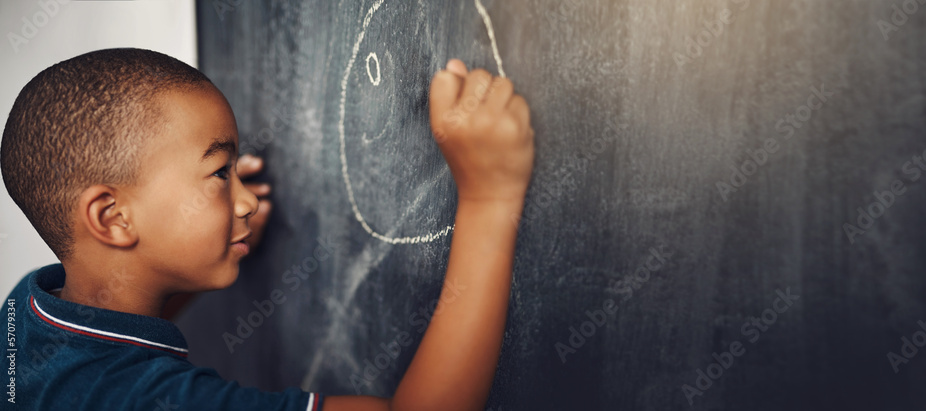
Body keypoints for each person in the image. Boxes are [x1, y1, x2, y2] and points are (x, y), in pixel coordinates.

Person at [0, 48, 534, 410]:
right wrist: (490, 197)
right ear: (112, 218)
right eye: (219, 173)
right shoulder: (155, 398)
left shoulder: (27, 313)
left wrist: (208, 225)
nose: (248, 198)